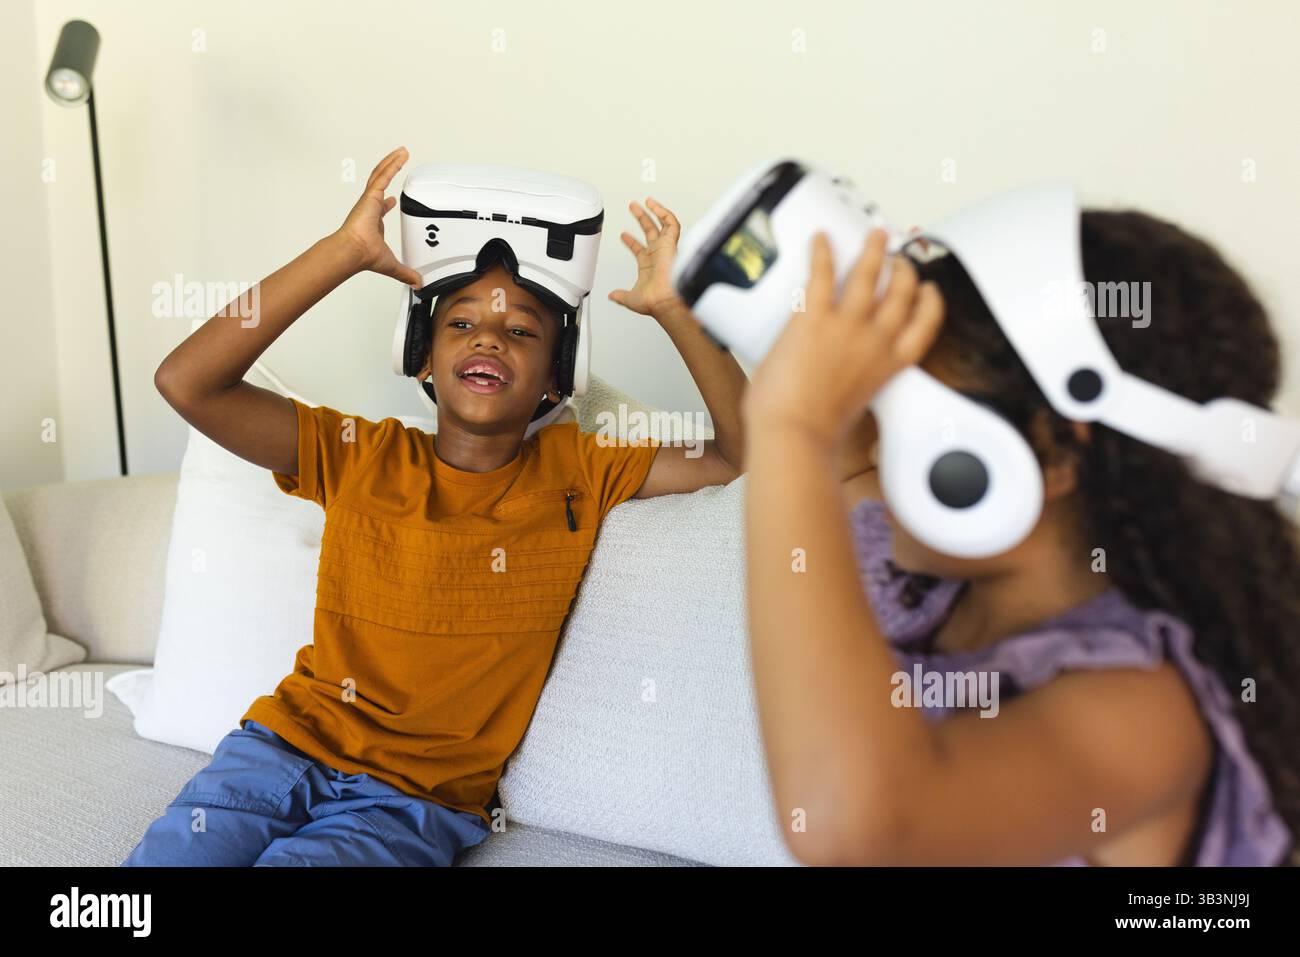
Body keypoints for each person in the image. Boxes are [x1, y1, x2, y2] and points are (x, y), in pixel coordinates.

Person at [123, 148, 746, 866]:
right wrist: (343, 252)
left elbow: (743, 453)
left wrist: (675, 310)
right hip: (281, 748)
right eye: (461, 323)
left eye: (521, 332)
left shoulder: (584, 470)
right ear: (419, 353)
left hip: (412, 800)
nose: (488, 335)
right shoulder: (357, 450)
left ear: (557, 378)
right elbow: (187, 382)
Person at [744, 218, 1299, 866]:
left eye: (920, 421)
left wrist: (790, 425)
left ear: (1057, 448)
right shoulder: (934, 593)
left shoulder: (1144, 710)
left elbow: (857, 827)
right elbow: (845, 469)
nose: (884, 443)